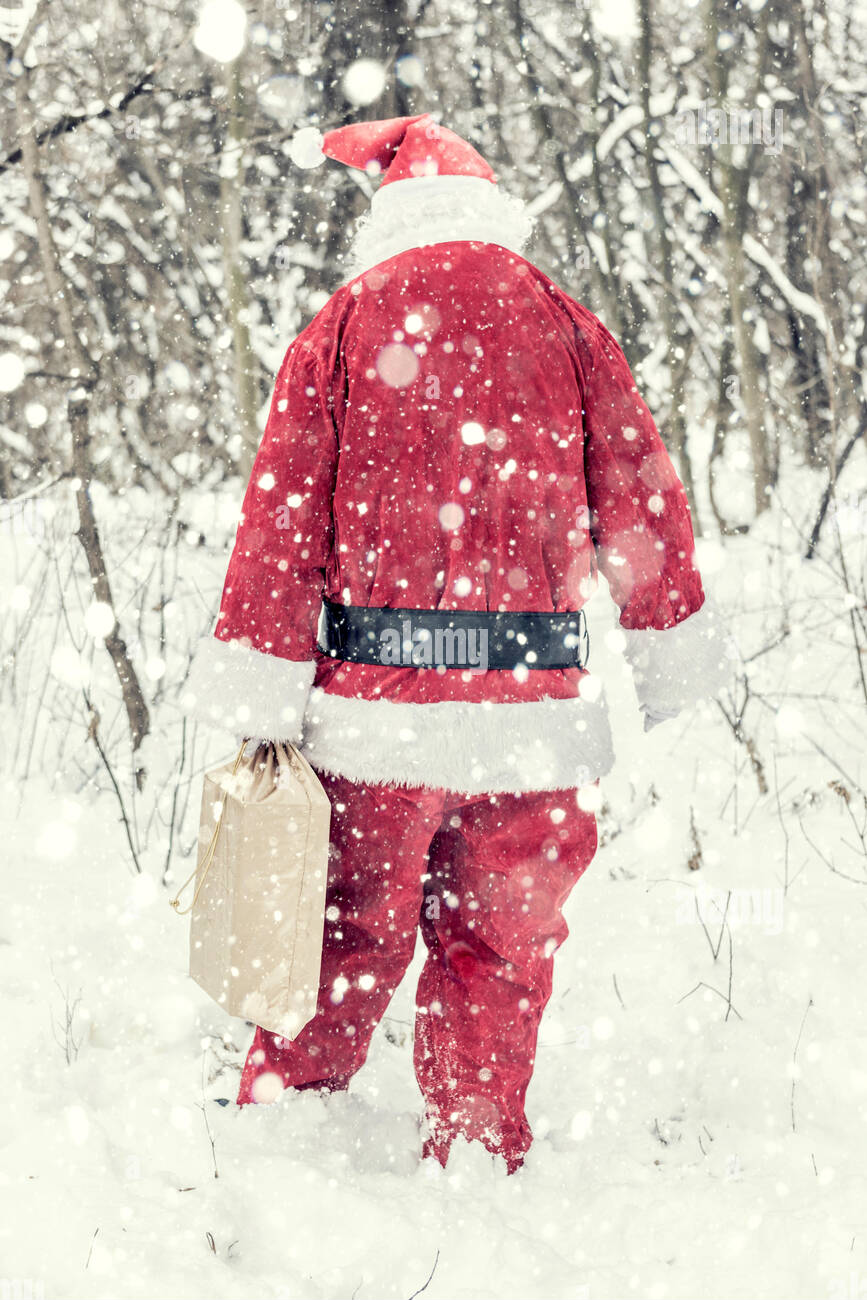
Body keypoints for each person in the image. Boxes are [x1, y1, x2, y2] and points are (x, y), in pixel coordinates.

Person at [183, 114, 732, 1173]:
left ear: (388, 221)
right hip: (533, 726)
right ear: (488, 211)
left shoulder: (339, 330)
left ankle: (290, 1133)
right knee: (501, 949)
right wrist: (669, 641)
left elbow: (283, 523)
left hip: (372, 721)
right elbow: (641, 500)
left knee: (343, 934)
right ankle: (475, 1149)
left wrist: (262, 694)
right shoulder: (568, 327)